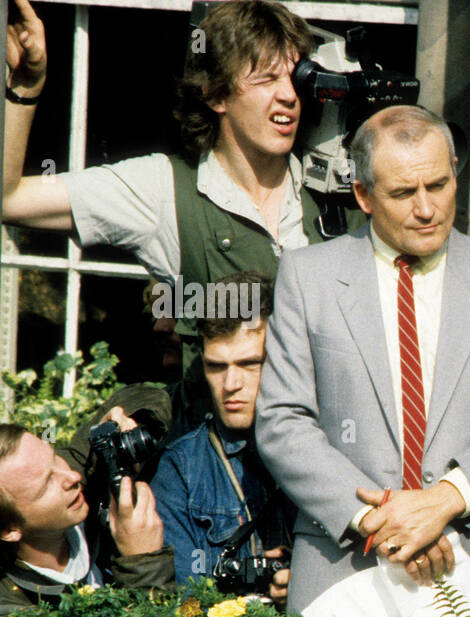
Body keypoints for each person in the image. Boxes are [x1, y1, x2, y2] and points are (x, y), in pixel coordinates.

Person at [256, 105, 470, 617]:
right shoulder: (308, 277)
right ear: (365, 196)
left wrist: (444, 499)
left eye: (439, 185)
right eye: (402, 193)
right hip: (344, 567)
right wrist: (382, 522)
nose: (427, 209)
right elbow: (282, 421)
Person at [2, 0, 352, 431]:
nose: (288, 95)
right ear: (215, 93)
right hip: (213, 476)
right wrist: (26, 87)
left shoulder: (334, 194)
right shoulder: (164, 188)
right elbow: (9, 199)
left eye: (296, 77)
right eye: (265, 79)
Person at [151, 270, 294, 606]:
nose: (231, 384)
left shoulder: (330, 446)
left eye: (249, 364)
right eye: (216, 366)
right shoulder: (180, 470)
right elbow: (186, 613)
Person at [0, 419, 171, 613]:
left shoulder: (68, 493)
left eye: (55, 457)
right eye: (47, 485)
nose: (73, 477)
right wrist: (144, 564)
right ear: (9, 530)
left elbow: (147, 395)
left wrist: (122, 421)